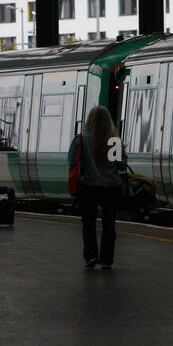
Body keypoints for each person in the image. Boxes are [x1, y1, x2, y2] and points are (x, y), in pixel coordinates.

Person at [70, 105, 124, 268]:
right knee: (109, 223)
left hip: (88, 186)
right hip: (111, 187)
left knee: (88, 222)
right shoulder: (114, 141)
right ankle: (107, 259)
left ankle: (91, 256)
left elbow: (73, 161)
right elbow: (121, 165)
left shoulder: (81, 139)